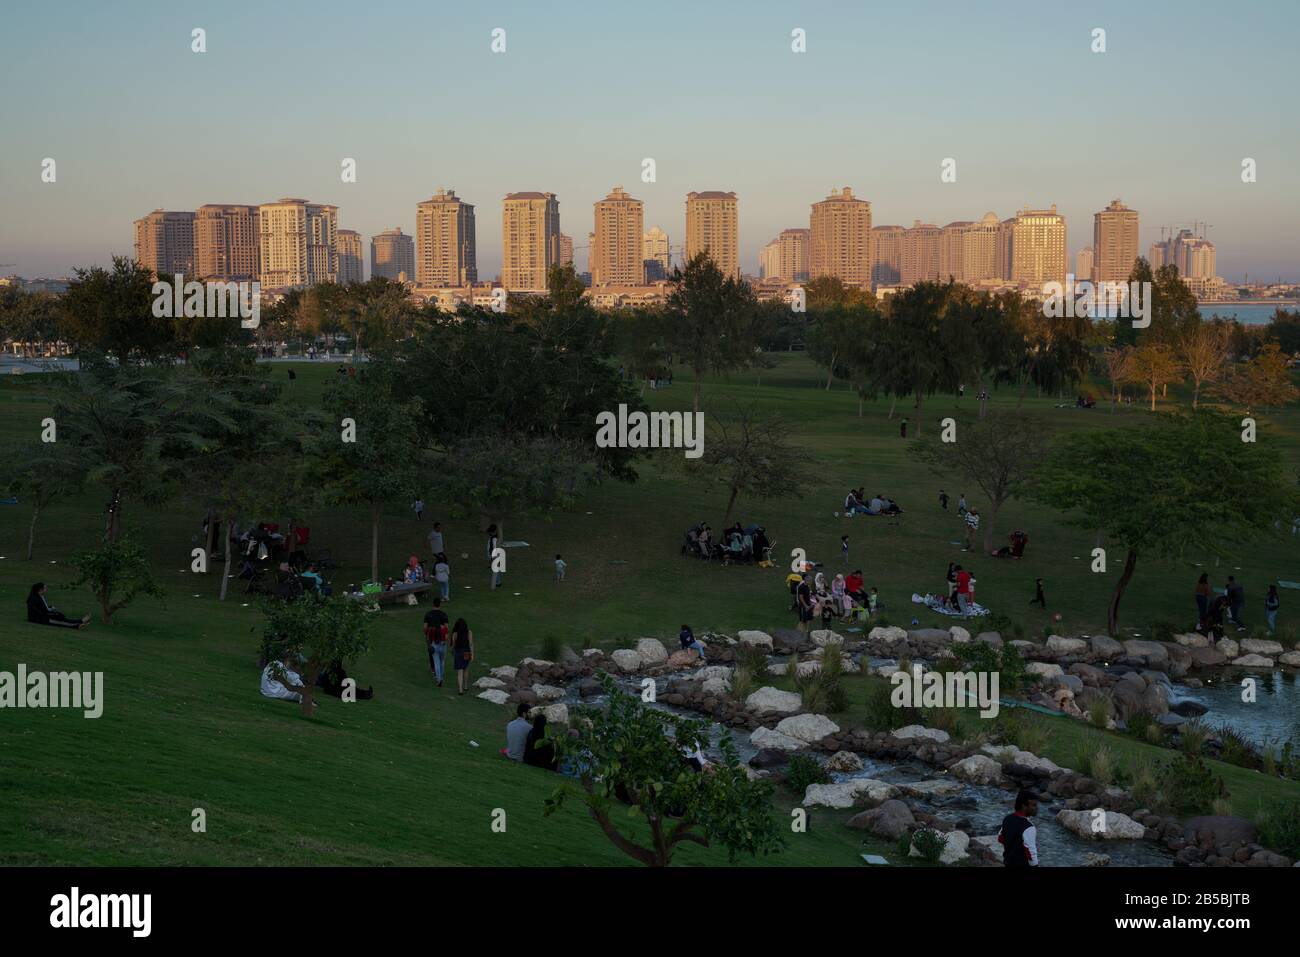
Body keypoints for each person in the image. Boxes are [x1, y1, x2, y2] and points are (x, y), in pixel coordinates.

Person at [997, 789, 1040, 867]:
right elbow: (1031, 854)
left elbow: (1000, 839)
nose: (1037, 808)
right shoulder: (1029, 827)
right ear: (1024, 806)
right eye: (1034, 805)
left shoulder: (1007, 818)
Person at [423, 597, 450, 686]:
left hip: (433, 642)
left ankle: (438, 679)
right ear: (440, 604)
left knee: (436, 661)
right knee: (442, 661)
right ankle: (441, 676)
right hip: (442, 643)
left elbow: (425, 628)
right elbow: (447, 629)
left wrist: (427, 638)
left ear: (433, 604)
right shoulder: (444, 615)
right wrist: (445, 641)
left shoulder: (428, 615)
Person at [451, 618, 474, 694]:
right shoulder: (469, 632)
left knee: (459, 672)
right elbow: (470, 644)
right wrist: (472, 654)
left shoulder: (455, 634)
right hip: (466, 652)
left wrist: (453, 651)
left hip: (458, 653)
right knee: (466, 669)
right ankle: (466, 686)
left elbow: (453, 645)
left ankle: (460, 690)